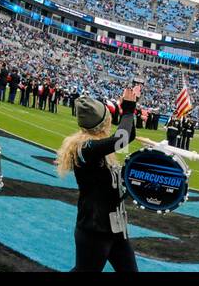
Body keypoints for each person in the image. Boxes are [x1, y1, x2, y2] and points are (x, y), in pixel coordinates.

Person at [56, 88, 140, 272]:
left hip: (115, 227)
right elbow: (122, 138)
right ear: (102, 122)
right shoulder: (85, 147)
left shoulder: (94, 145)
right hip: (95, 230)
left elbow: (128, 136)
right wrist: (128, 109)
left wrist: (130, 108)